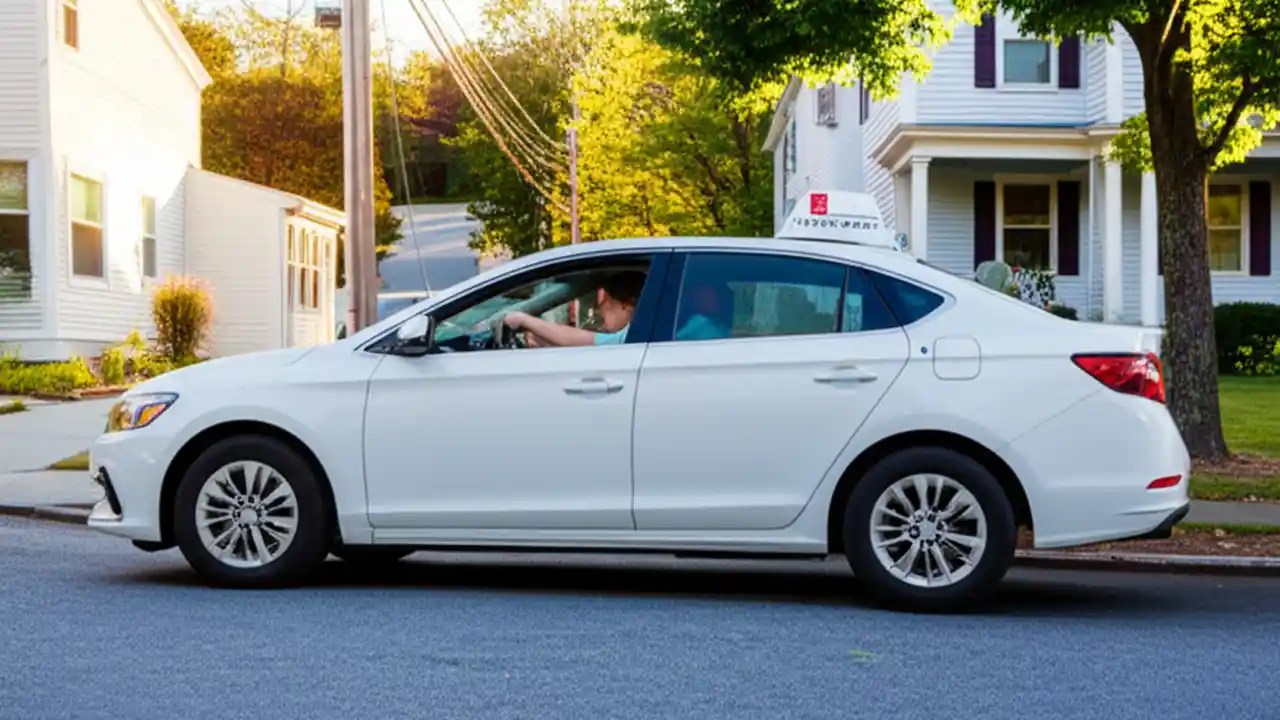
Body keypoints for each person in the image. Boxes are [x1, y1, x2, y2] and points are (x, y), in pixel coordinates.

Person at [501, 270, 647, 347]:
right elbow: (580, 343)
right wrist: (543, 339)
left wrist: (523, 320)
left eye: (605, 302)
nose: (599, 308)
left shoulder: (637, 336)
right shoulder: (649, 335)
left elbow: (587, 340)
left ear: (626, 305)